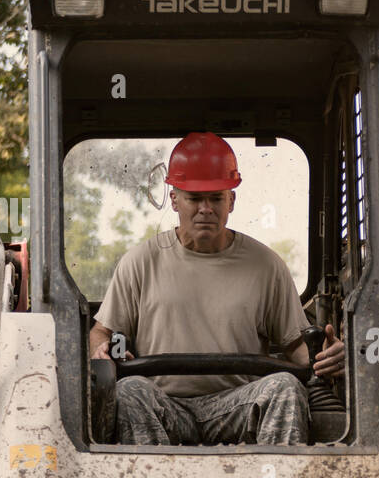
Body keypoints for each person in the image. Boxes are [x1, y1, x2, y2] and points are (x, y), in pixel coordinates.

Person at [90, 131, 344, 446]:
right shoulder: (141, 262)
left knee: (285, 388)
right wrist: (100, 351)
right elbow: (102, 333)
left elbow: (295, 345)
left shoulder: (266, 265)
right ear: (174, 199)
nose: (206, 209)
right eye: (195, 198)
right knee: (129, 392)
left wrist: (324, 358)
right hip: (165, 405)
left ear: (231, 200)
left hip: (237, 404)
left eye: (216, 198)